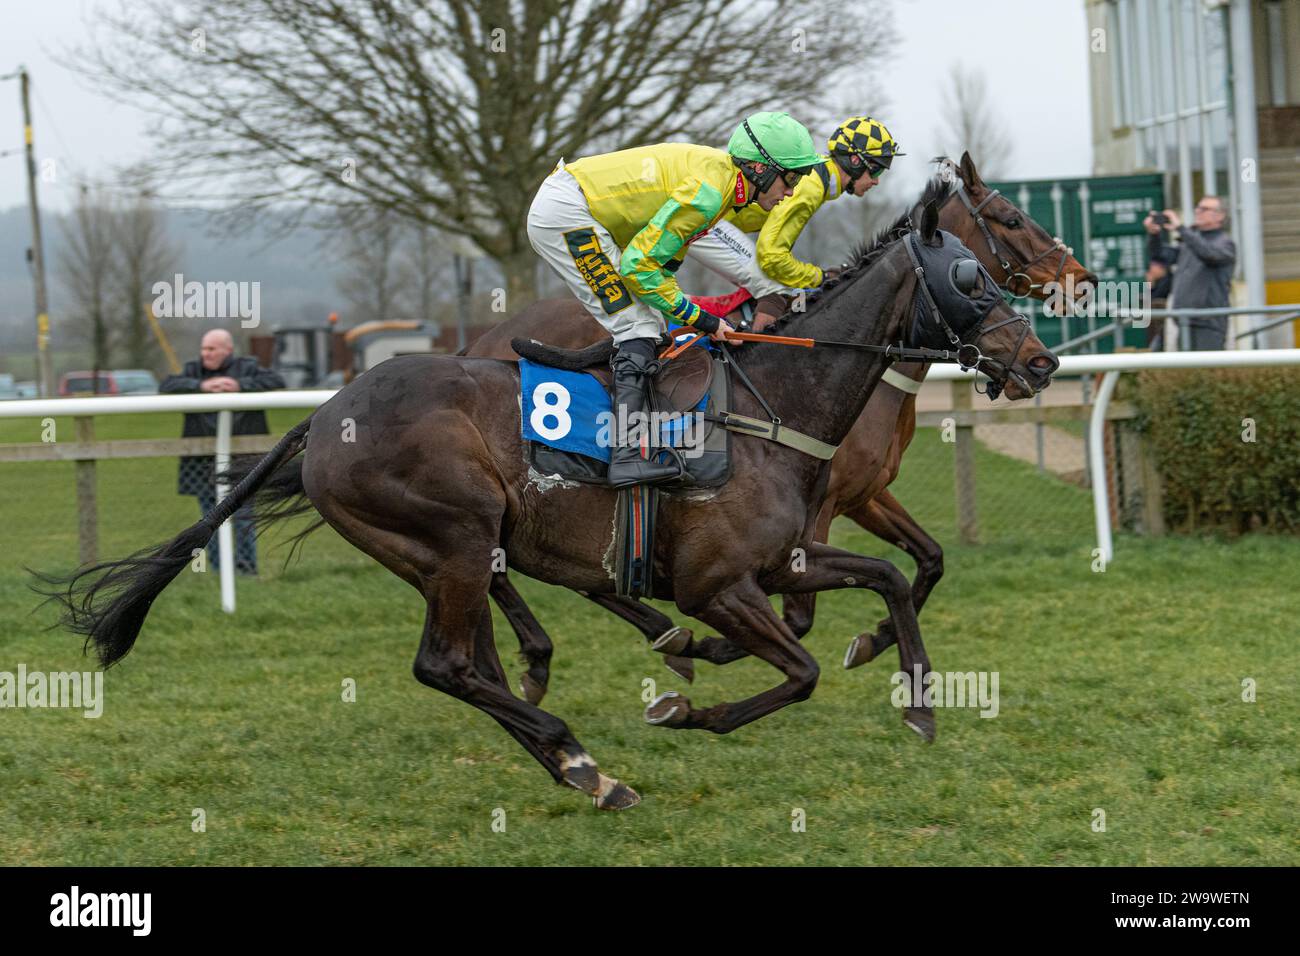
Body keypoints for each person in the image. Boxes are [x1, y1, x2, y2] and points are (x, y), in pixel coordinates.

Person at [527, 111, 822, 487]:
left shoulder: (725, 187)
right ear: (758, 168)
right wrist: (708, 321)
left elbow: (659, 262)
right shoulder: (710, 193)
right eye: (790, 177)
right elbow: (639, 267)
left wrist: (691, 312)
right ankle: (626, 456)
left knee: (649, 322)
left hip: (578, 207)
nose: (792, 191)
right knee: (638, 324)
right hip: (566, 213)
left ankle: (637, 441)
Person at [689, 115, 903, 331]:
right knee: (773, 290)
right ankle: (758, 355)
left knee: (776, 286)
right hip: (703, 217)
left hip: (708, 216)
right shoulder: (811, 187)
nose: (876, 180)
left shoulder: (817, 180)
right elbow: (771, 257)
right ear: (855, 161)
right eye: (876, 170)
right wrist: (822, 277)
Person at [160, 328, 286, 575]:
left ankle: (247, 570)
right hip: (203, 462)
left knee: (243, 516)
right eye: (203, 349)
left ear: (228, 350)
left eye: (211, 349)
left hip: (244, 459)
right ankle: (219, 571)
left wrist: (239, 385)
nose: (205, 354)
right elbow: (167, 385)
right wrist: (201, 386)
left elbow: (276, 382)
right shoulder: (192, 371)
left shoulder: (249, 368)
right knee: (209, 519)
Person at [1143, 197, 1236, 350]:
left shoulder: (1225, 243)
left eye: (1204, 209)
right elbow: (1159, 255)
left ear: (1220, 216)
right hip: (1184, 319)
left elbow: (1208, 253)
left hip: (1209, 322)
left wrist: (1180, 228)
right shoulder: (1190, 242)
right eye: (1198, 208)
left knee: (1207, 370)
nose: (1198, 212)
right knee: (1186, 371)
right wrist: (1154, 234)